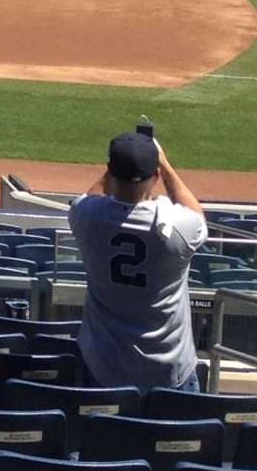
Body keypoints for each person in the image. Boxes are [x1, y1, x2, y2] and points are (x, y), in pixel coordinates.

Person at [68, 128, 207, 392]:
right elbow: (197, 215)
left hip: (104, 369)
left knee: (107, 434)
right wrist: (164, 164)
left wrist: (119, 166)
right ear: (154, 175)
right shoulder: (176, 227)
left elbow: (89, 198)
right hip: (170, 372)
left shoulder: (87, 218)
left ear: (110, 170)